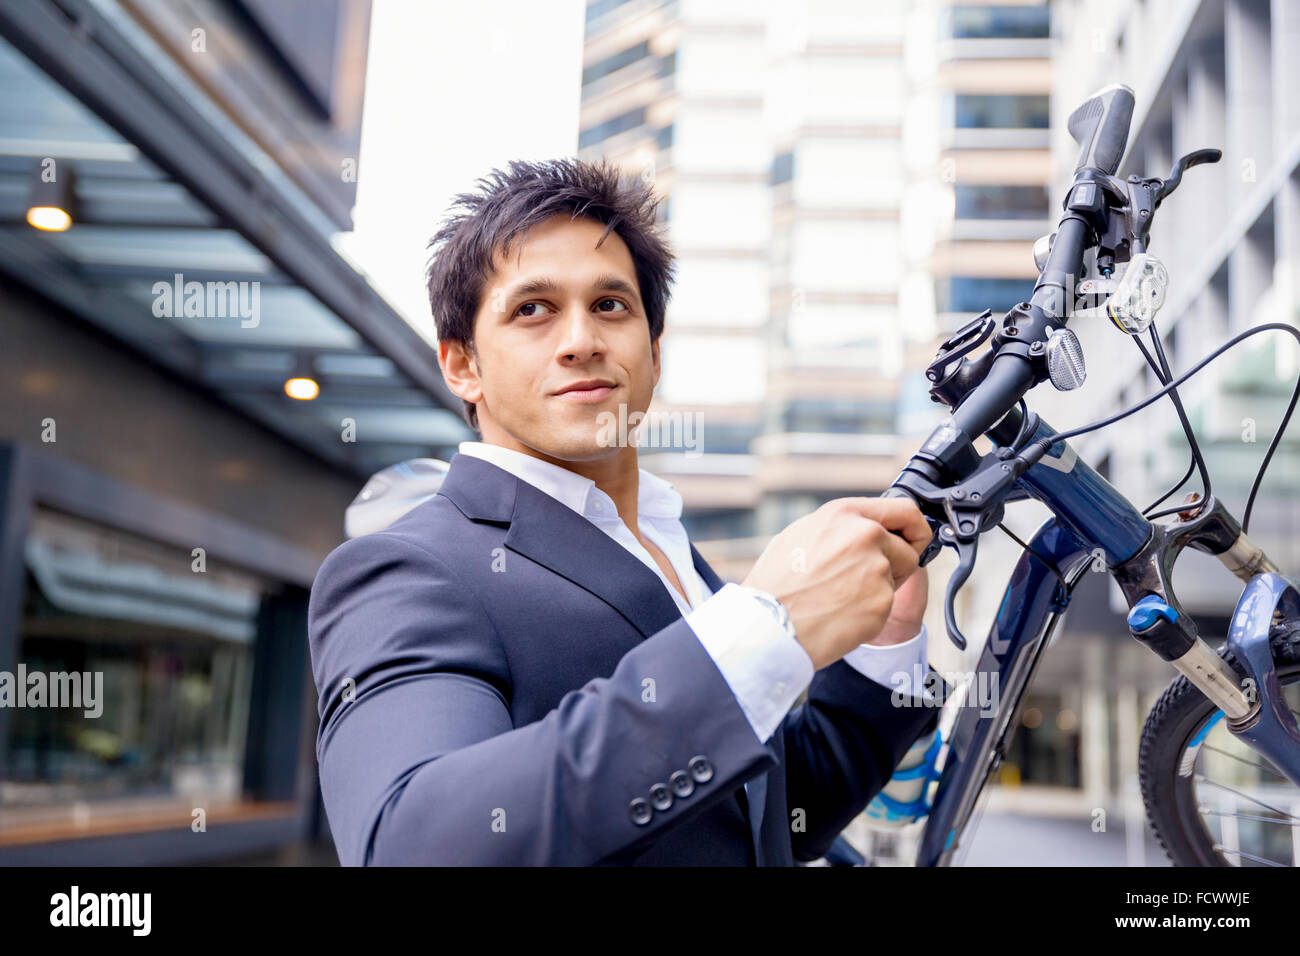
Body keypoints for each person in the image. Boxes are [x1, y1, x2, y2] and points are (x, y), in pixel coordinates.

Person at [307, 157, 940, 866]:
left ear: (655, 352)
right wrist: (763, 627)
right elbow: (415, 845)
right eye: (531, 309)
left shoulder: (672, 553)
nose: (582, 339)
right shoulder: (407, 568)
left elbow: (767, 820)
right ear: (462, 366)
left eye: (611, 305)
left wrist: (884, 650)